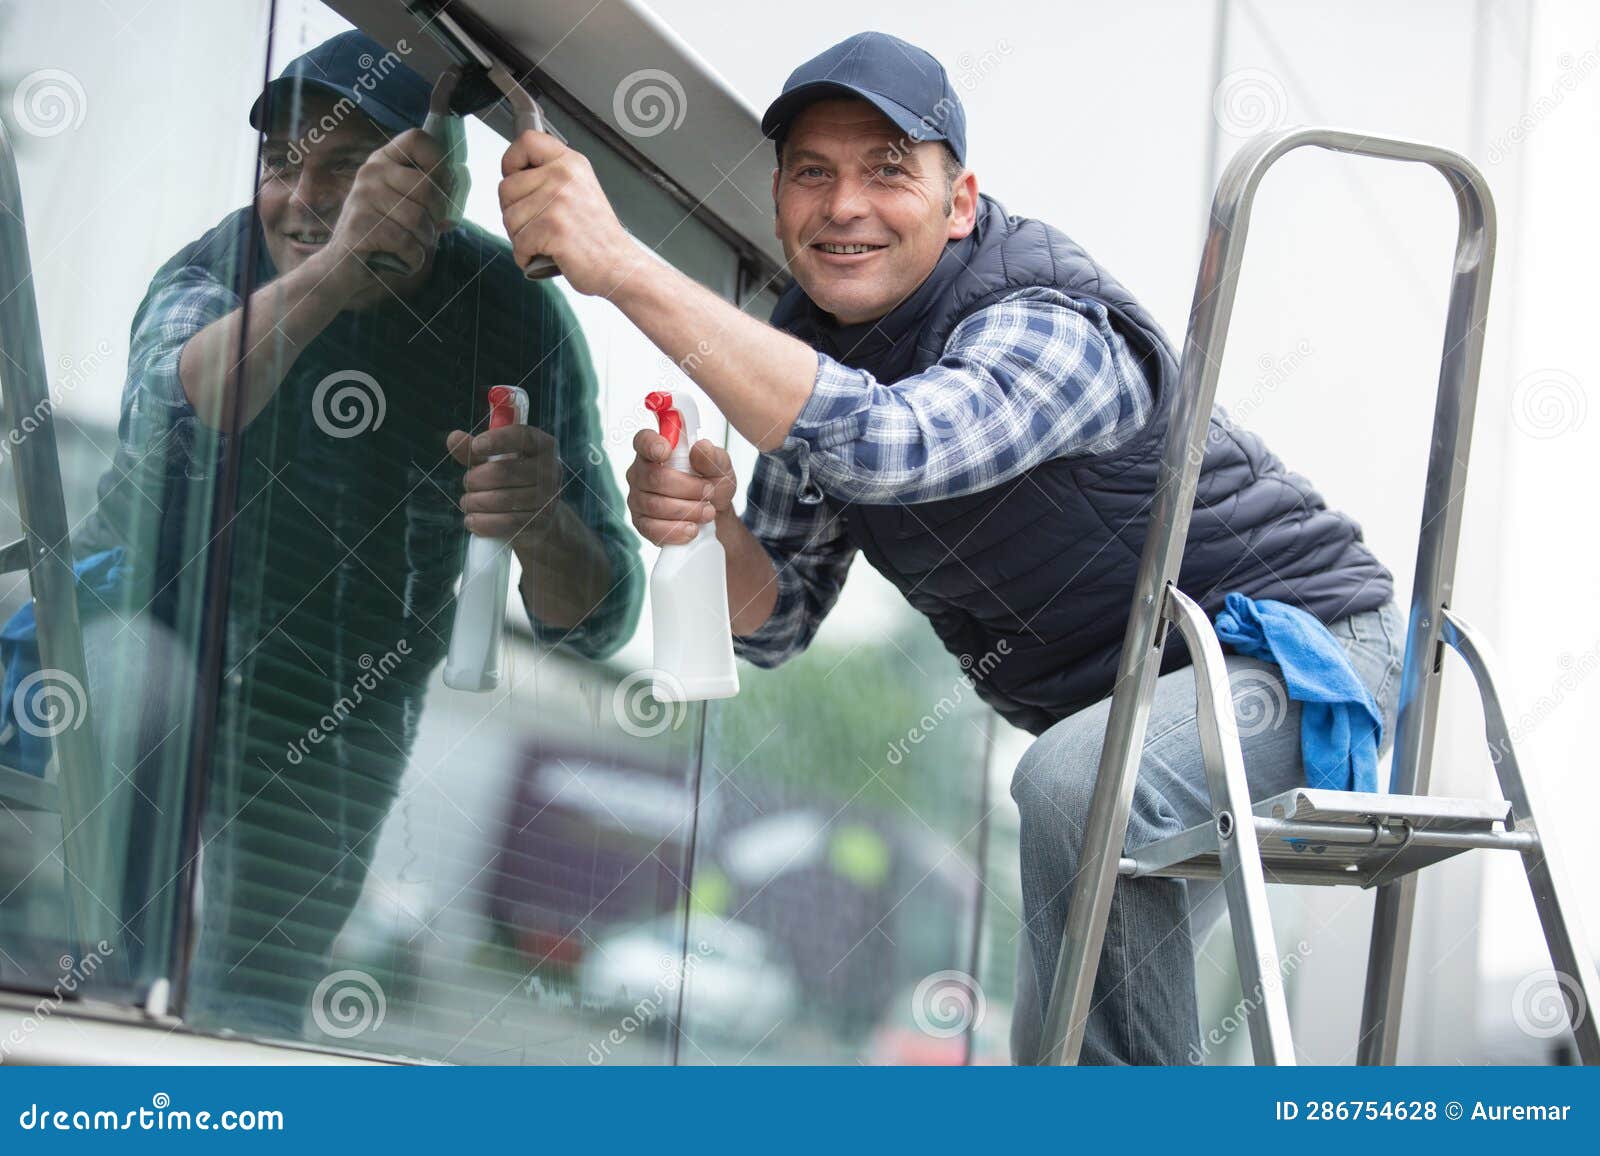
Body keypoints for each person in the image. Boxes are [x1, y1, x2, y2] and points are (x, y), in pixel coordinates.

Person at [498, 29, 1405, 1063]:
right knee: (1078, 870)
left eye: (887, 172)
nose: (845, 205)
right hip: (1134, 710)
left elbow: (895, 445)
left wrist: (618, 265)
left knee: (1074, 786)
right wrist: (717, 527)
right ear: (783, 200)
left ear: (960, 202)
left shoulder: (1052, 319)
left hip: (1306, 656)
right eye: (813, 174)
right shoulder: (805, 356)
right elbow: (774, 619)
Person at [63, 31, 641, 1033]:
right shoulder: (216, 264)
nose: (299, 195)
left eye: (346, 168)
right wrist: (337, 263)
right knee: (104, 971)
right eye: (282, 166)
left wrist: (541, 524)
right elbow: (180, 407)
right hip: (133, 655)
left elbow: (596, 620)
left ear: (434, 184)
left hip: (336, 726)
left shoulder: (513, 317)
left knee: (257, 1008)